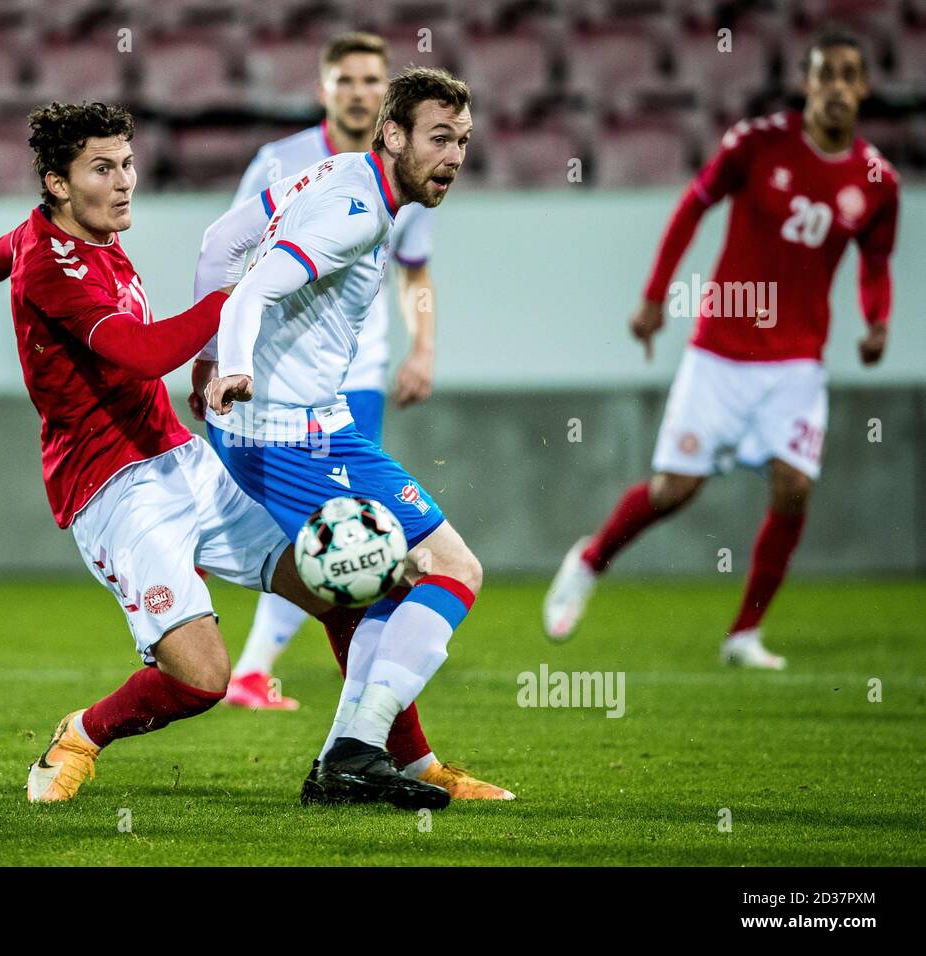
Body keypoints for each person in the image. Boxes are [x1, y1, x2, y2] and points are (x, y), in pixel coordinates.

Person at [0, 100, 340, 803]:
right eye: (103, 168)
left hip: (179, 457)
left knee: (337, 589)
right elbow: (138, 353)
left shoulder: (56, 229)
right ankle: (83, 734)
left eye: (128, 163)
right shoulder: (54, 266)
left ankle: (382, 761)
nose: (126, 181)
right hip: (114, 490)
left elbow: (4, 247)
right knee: (202, 681)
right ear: (58, 183)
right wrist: (236, 296)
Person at [194, 68, 514, 807]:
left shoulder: (339, 170)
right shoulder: (360, 210)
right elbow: (253, 286)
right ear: (394, 135)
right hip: (290, 439)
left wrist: (208, 365)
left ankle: (350, 764)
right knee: (453, 570)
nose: (455, 156)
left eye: (463, 140)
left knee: (380, 591)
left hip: (306, 427)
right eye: (439, 138)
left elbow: (222, 238)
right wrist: (230, 366)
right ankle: (359, 749)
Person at [543, 30, 899, 668]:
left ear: (864, 87)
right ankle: (589, 560)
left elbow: (876, 264)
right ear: (808, 82)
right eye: (826, 75)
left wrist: (877, 321)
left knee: (793, 488)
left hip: (796, 362)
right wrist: (655, 296)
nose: (838, 88)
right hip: (721, 352)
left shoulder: (877, 181)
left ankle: (743, 635)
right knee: (674, 490)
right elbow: (692, 207)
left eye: (850, 75)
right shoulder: (758, 144)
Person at [218, 32, 441, 713]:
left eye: (372, 80)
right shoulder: (279, 162)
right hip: (270, 383)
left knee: (338, 535)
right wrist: (220, 354)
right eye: (345, 80)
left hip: (355, 378)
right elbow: (233, 251)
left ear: (386, 96)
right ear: (324, 89)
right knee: (313, 536)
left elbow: (414, 272)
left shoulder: (401, 179)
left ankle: (257, 672)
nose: (359, 91)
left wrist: (423, 346)